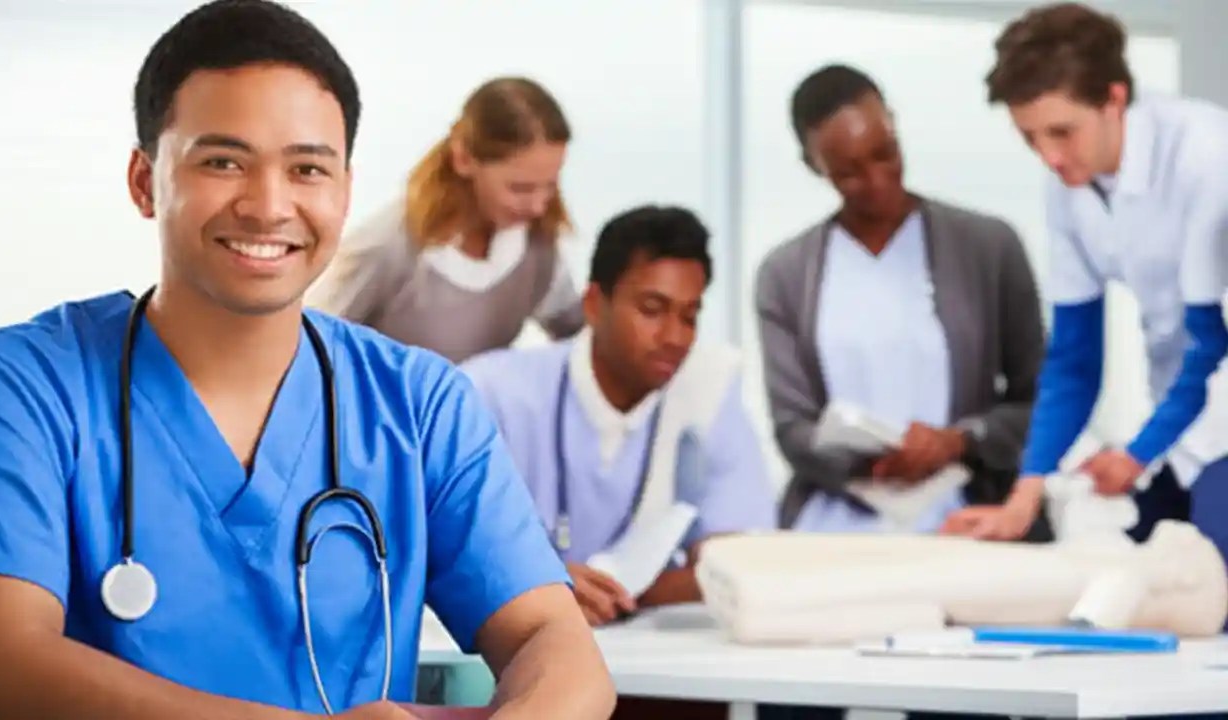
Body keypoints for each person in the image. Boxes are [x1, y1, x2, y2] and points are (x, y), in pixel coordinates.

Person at [0, 2, 615, 719]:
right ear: (145, 181)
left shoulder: (420, 406)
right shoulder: (17, 390)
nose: (269, 206)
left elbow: (557, 643)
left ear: (345, 190)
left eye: (306, 169)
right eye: (223, 162)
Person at [942, 3, 1228, 570]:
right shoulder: (1069, 187)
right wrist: (1024, 496)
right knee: (1119, 580)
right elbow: (1073, 359)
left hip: (1215, 406)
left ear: (1114, 99)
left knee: (1205, 587)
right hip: (1182, 421)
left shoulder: (1208, 155)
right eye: (1030, 137)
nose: (1048, 156)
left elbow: (1211, 345)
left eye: (1062, 132)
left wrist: (1138, 453)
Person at [755, 64, 1049, 537]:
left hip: (965, 516)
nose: (876, 181)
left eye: (885, 152)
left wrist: (959, 440)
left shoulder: (990, 247)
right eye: (848, 172)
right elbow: (792, 427)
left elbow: (1042, 397)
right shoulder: (785, 275)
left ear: (893, 122)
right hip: (833, 525)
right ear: (814, 166)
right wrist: (868, 463)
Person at [461, 205, 776, 627]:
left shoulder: (708, 390)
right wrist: (542, 587)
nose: (674, 337)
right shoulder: (494, 390)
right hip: (512, 654)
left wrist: (603, 592)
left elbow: (739, 564)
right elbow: (445, 551)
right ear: (594, 303)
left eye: (689, 315)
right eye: (651, 309)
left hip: (654, 661)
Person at [307, 76, 582, 364]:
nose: (539, 206)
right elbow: (307, 347)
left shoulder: (537, 245)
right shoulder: (387, 246)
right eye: (520, 188)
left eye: (550, 185)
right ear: (463, 158)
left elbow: (578, 337)